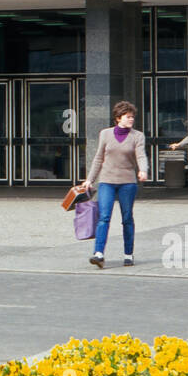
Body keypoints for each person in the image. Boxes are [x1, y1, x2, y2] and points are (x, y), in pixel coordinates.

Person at [79, 100, 148, 268]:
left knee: (126, 218)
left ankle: (128, 253)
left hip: (127, 183)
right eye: (128, 117)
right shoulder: (105, 134)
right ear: (118, 118)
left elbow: (141, 155)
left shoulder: (137, 136)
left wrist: (143, 170)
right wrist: (90, 179)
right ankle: (98, 253)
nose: (131, 120)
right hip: (107, 182)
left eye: (132, 117)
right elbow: (98, 158)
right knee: (104, 217)